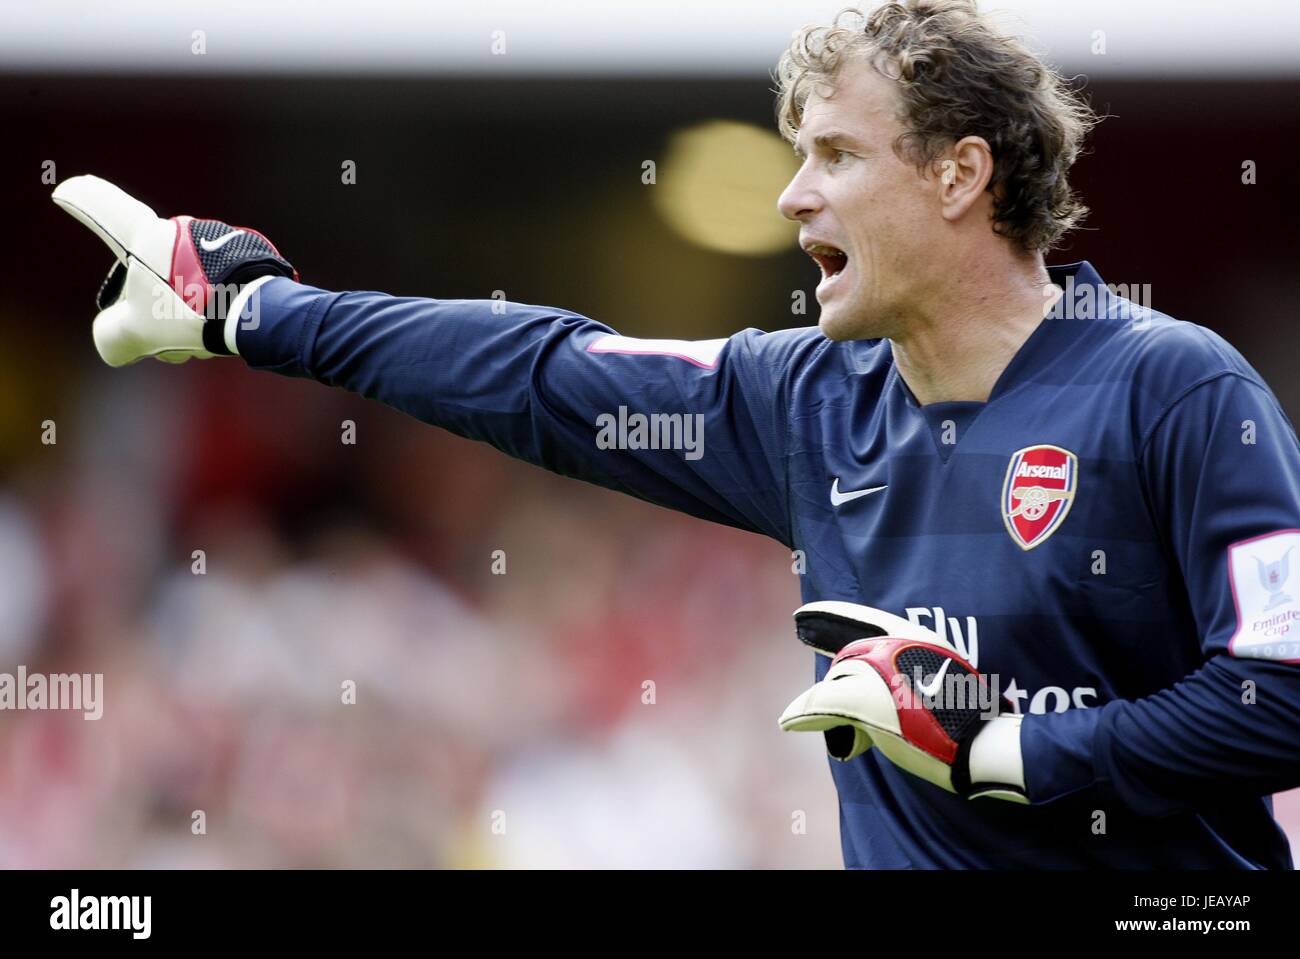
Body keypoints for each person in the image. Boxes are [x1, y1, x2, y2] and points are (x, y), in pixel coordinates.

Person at [53, 0, 1300, 868]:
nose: (790, 193)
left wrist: (1002, 750)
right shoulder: (809, 400)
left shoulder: (1175, 391)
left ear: (959, 174)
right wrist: (260, 312)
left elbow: (1282, 694)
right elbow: (547, 369)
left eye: (832, 155)